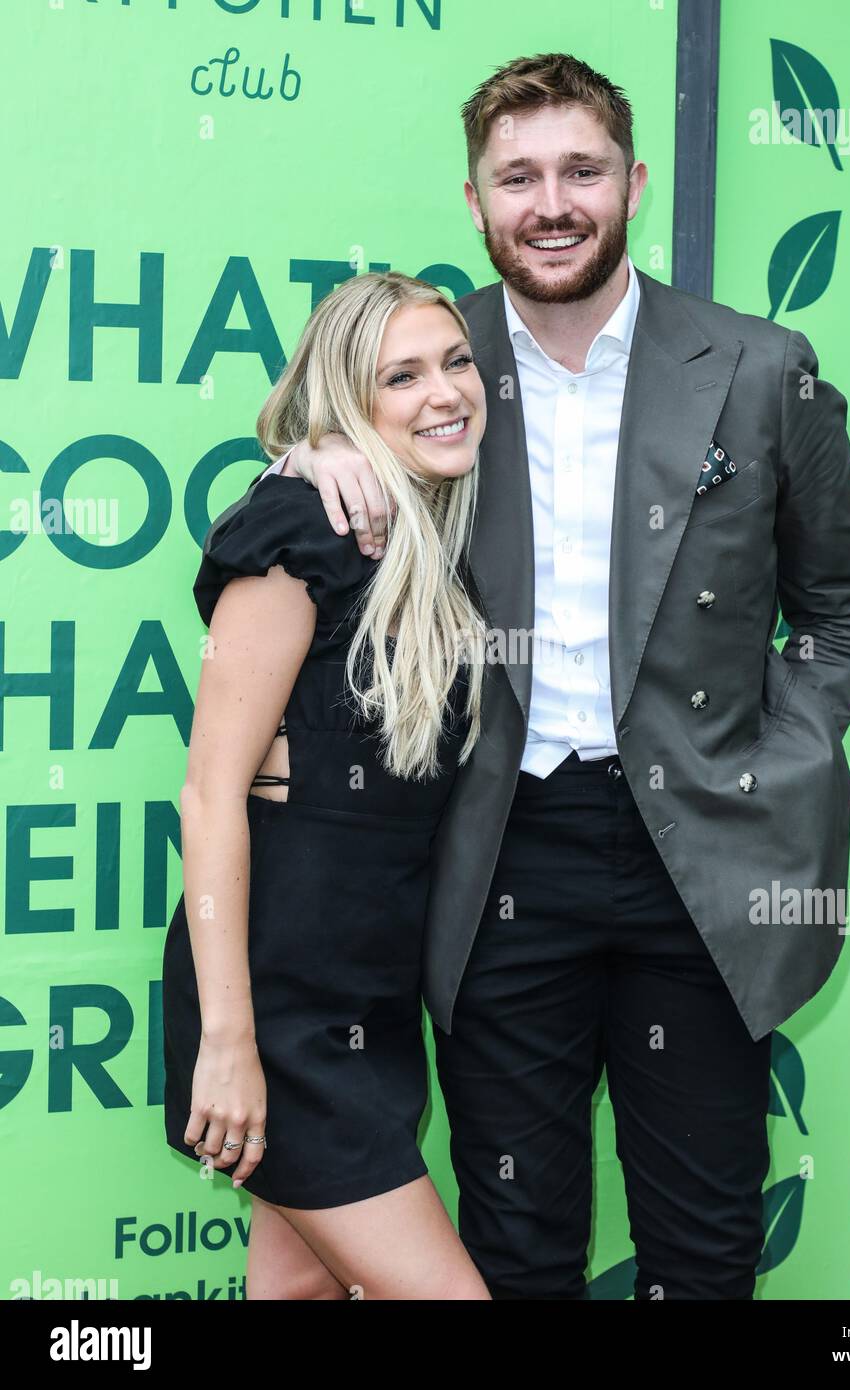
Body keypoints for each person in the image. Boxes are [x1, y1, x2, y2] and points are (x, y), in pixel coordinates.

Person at [257, 54, 850, 1300]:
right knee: (515, 1253)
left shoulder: (762, 368)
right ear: (477, 202)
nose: (552, 203)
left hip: (703, 847)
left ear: (634, 185)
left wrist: (788, 751)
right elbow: (309, 468)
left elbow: (844, 605)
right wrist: (313, 454)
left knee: (704, 1254)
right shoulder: (431, 375)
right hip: (495, 853)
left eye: (581, 171)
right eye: (519, 178)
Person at [161, 271, 492, 1300]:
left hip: (373, 1001)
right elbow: (211, 793)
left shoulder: (431, 544)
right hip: (278, 1008)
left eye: (456, 361)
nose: (443, 392)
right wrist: (229, 1041)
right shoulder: (298, 533)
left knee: (296, 1293)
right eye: (402, 375)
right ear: (351, 401)